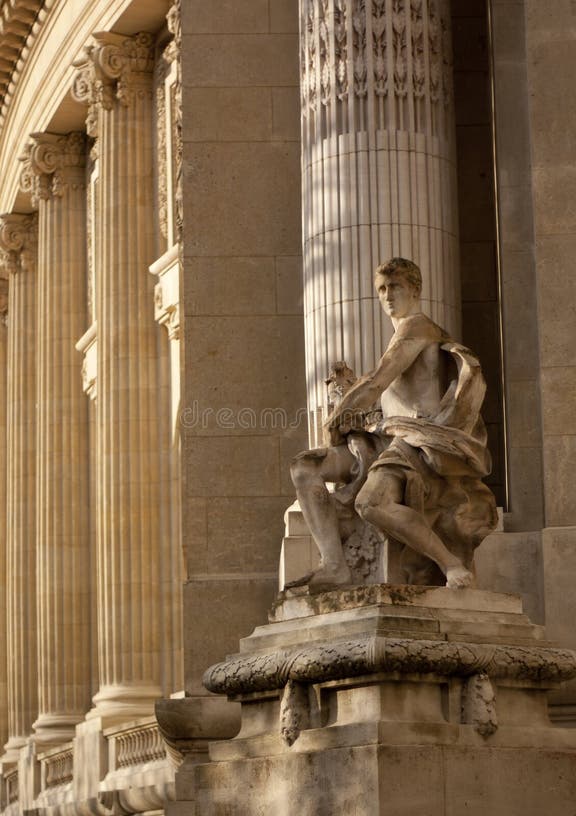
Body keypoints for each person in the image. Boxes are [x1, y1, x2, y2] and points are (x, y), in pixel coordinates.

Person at [289, 257, 497, 590]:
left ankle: (451, 564)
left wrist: (335, 420)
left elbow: (377, 382)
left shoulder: (418, 327)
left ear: (415, 289)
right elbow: (381, 398)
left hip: (416, 443)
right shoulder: (401, 335)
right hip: (385, 438)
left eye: (395, 287)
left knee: (370, 503)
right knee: (304, 468)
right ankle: (334, 565)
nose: (387, 296)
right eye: (382, 289)